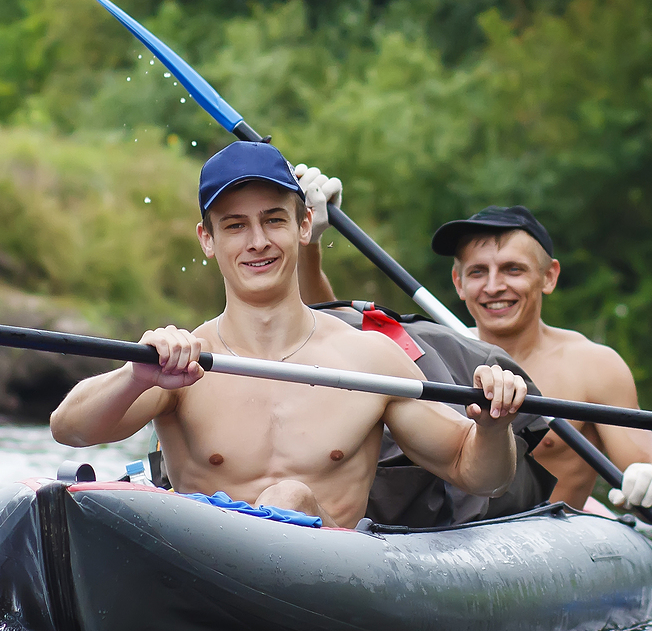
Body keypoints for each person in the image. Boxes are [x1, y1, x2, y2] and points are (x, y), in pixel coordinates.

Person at [49, 141, 529, 528]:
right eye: (235, 226)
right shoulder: (184, 363)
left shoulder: (368, 360)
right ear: (207, 240)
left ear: (303, 226)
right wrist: (136, 377)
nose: (257, 242)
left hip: (327, 602)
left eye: (273, 220)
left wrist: (493, 425)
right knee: (284, 499)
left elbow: (477, 474)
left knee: (291, 498)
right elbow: (69, 429)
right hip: (205, 580)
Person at [292, 169, 652, 517]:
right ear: (459, 283)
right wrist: (311, 243)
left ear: (549, 277)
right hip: (450, 533)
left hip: (548, 544)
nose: (494, 287)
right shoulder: (433, 355)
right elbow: (327, 328)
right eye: (478, 272)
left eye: (513, 269)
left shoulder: (594, 366)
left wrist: (651, 483)